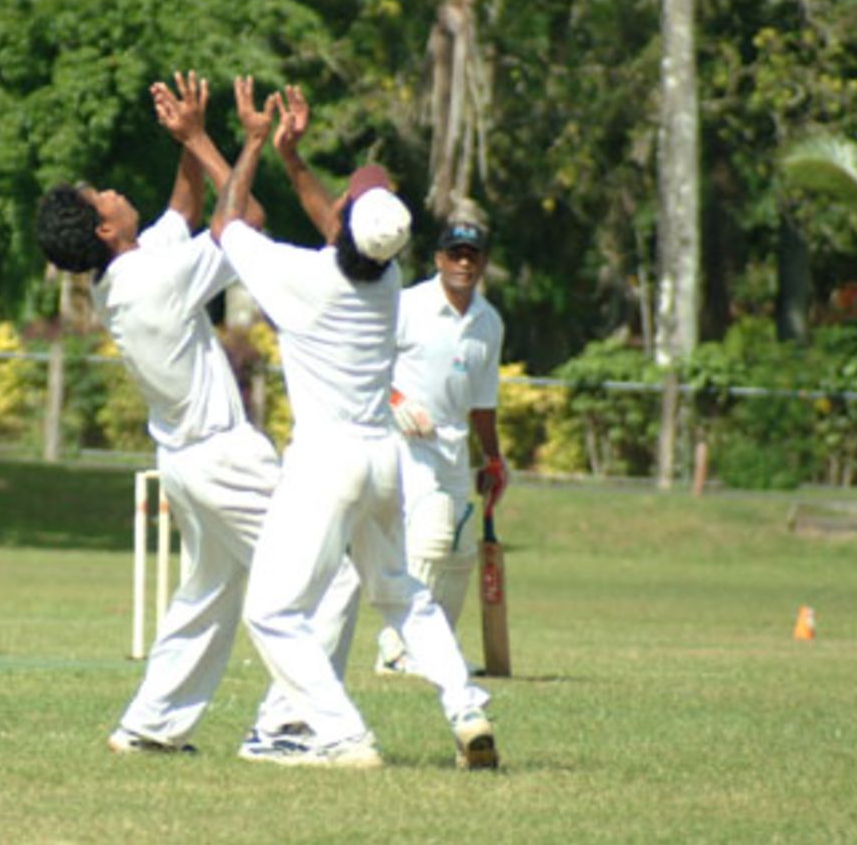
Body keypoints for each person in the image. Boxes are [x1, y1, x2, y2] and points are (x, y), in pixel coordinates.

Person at [34, 72, 356, 755]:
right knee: (331, 577)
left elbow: (184, 210)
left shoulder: (127, 270)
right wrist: (231, 141)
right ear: (104, 225)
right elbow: (248, 225)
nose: (119, 192)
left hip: (188, 464)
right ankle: (285, 727)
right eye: (107, 196)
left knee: (211, 593)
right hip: (224, 457)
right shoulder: (150, 281)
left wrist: (186, 141)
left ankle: (150, 725)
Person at [209, 84, 498, 770]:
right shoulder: (390, 280)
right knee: (402, 593)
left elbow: (228, 225)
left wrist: (256, 142)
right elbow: (350, 228)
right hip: (383, 460)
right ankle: (466, 707)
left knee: (272, 612)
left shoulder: (303, 277)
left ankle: (338, 732)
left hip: (326, 463)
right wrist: (294, 159)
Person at [376, 214, 508, 676]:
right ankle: (396, 650)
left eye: (472, 255)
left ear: (483, 263)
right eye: (455, 253)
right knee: (429, 538)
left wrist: (493, 458)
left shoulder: (488, 322)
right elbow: (370, 363)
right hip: (406, 438)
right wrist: (394, 401)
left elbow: (484, 400)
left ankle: (437, 652)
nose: (463, 263)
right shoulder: (407, 305)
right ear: (438, 259)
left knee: (460, 553)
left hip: (453, 442)